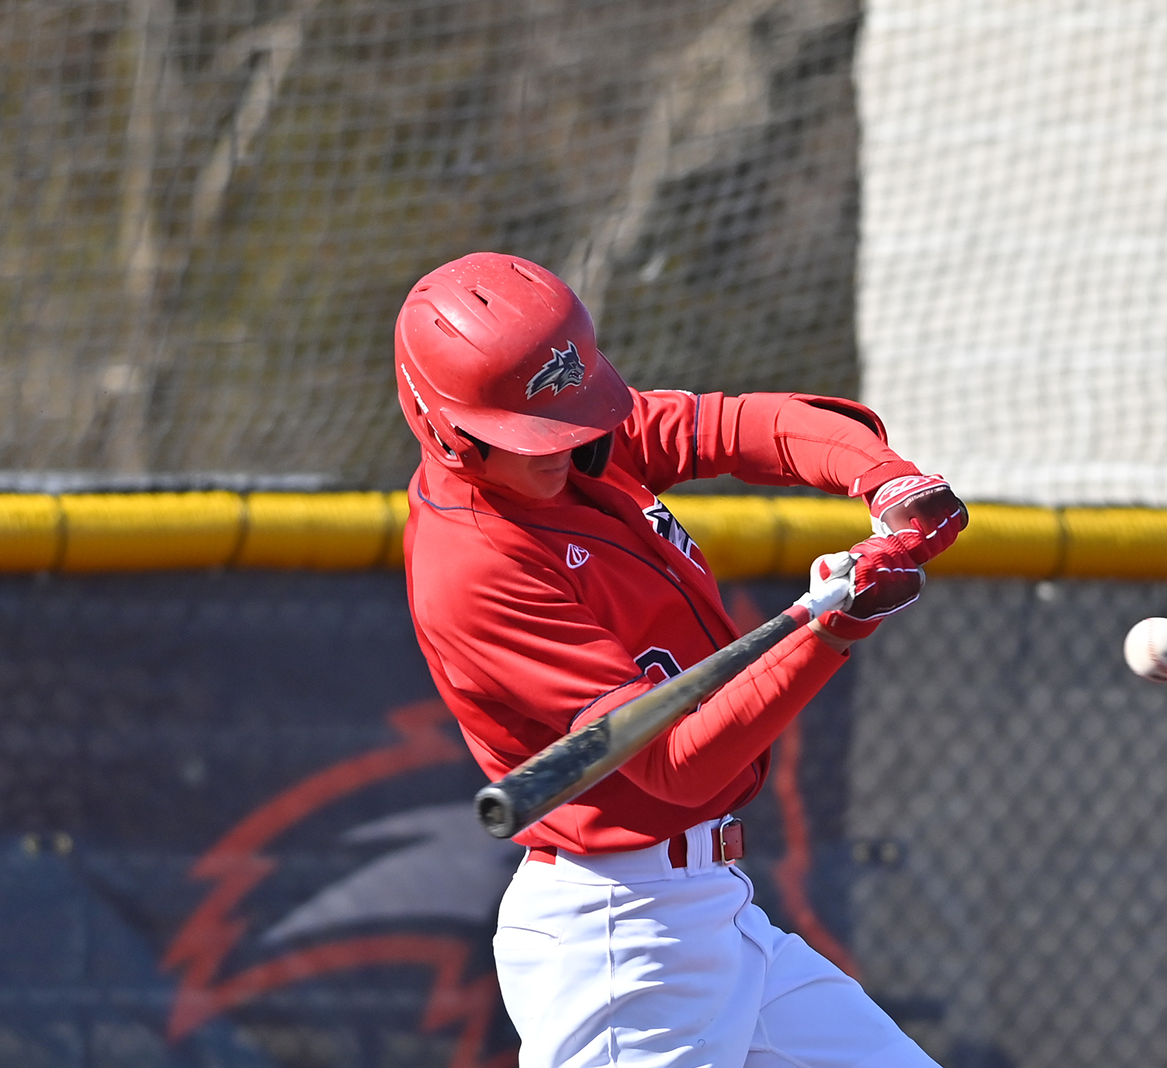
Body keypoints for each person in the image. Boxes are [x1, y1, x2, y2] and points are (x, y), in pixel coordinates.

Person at [396, 252, 967, 1066]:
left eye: (572, 415)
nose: (564, 444)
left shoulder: (579, 441)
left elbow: (741, 425)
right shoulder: (477, 566)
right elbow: (673, 764)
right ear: (444, 427)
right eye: (533, 434)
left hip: (712, 909)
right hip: (622, 940)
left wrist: (885, 481)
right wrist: (830, 631)